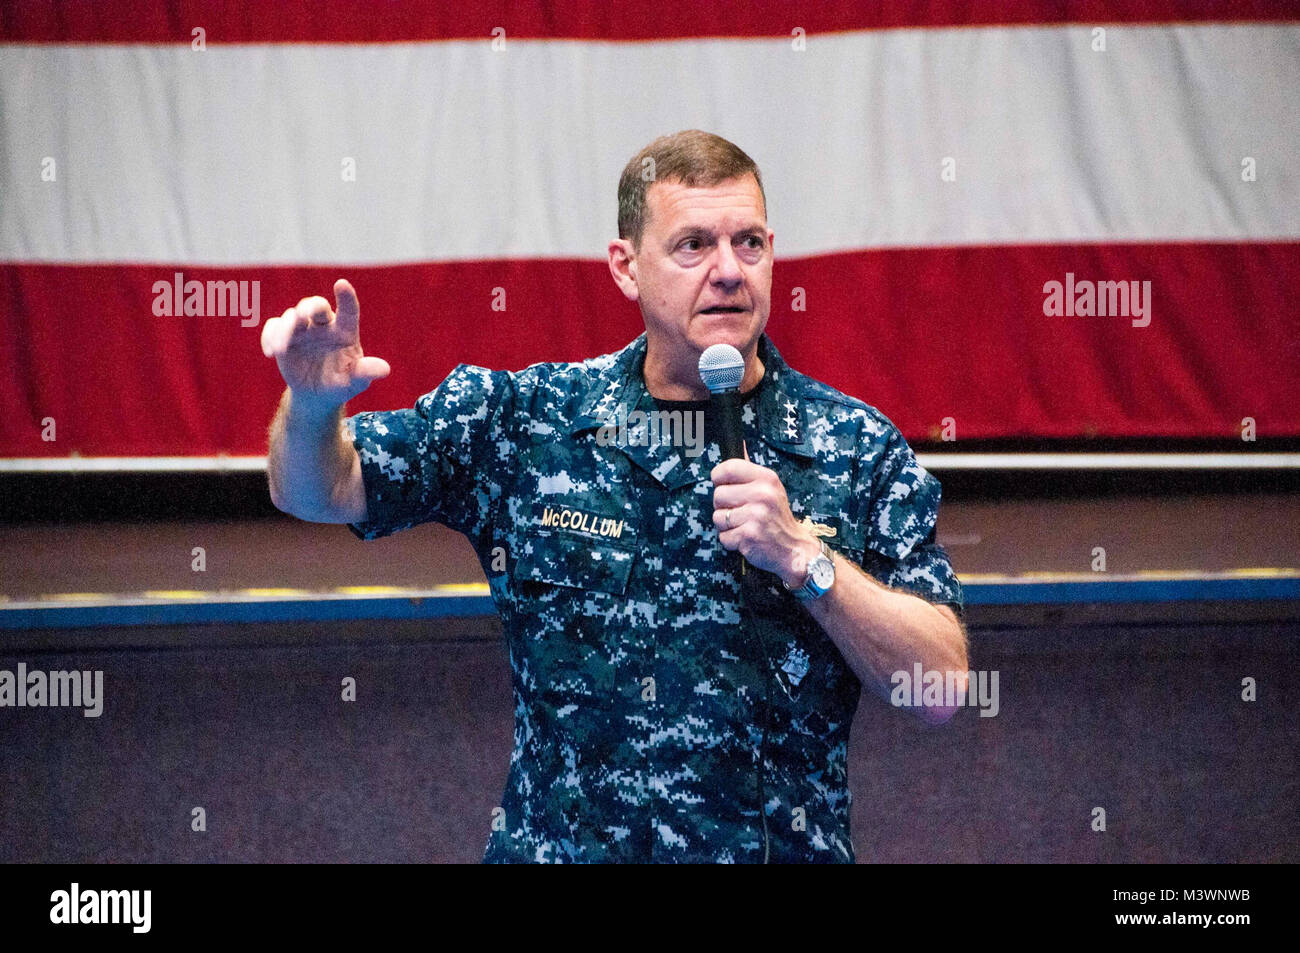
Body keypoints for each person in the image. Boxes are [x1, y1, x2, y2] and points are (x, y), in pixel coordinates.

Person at [262, 130, 968, 863]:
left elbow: (942, 686)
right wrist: (312, 409)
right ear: (625, 267)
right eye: (693, 244)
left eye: (749, 243)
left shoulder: (852, 446)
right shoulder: (528, 421)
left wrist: (807, 561)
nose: (729, 271)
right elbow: (322, 488)